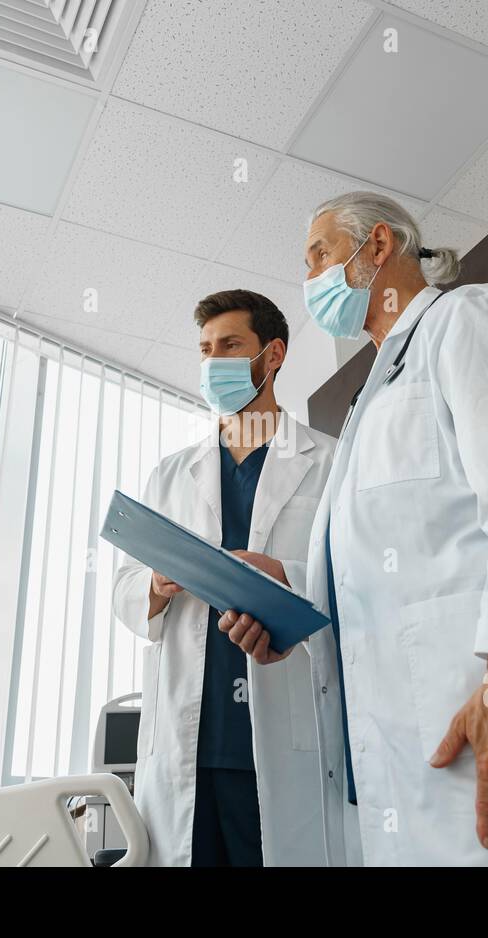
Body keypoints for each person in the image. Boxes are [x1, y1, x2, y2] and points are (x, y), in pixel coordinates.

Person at [221, 192, 488, 866]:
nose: (310, 279)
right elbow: (394, 570)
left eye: (320, 255)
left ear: (380, 246)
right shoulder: (368, 404)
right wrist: (294, 595)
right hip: (407, 767)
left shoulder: (470, 320)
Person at [112, 290, 335, 866]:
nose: (215, 363)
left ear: (274, 354)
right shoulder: (170, 474)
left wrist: (287, 574)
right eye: (206, 350)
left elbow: (360, 574)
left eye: (231, 345)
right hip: (191, 742)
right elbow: (123, 589)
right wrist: (157, 585)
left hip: (284, 735)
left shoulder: (330, 462)